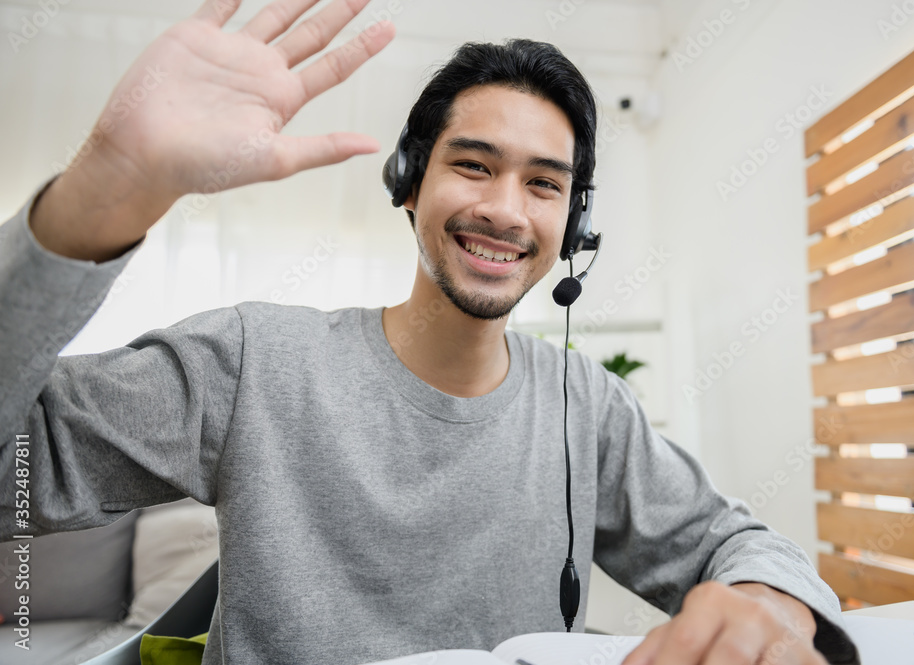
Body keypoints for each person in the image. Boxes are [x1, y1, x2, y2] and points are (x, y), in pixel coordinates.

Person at [0, 0, 859, 663]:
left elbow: (737, 541)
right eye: (473, 165)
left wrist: (770, 607)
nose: (505, 210)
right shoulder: (252, 363)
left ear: (575, 225)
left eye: (544, 184)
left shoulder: (587, 409)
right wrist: (106, 183)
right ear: (408, 181)